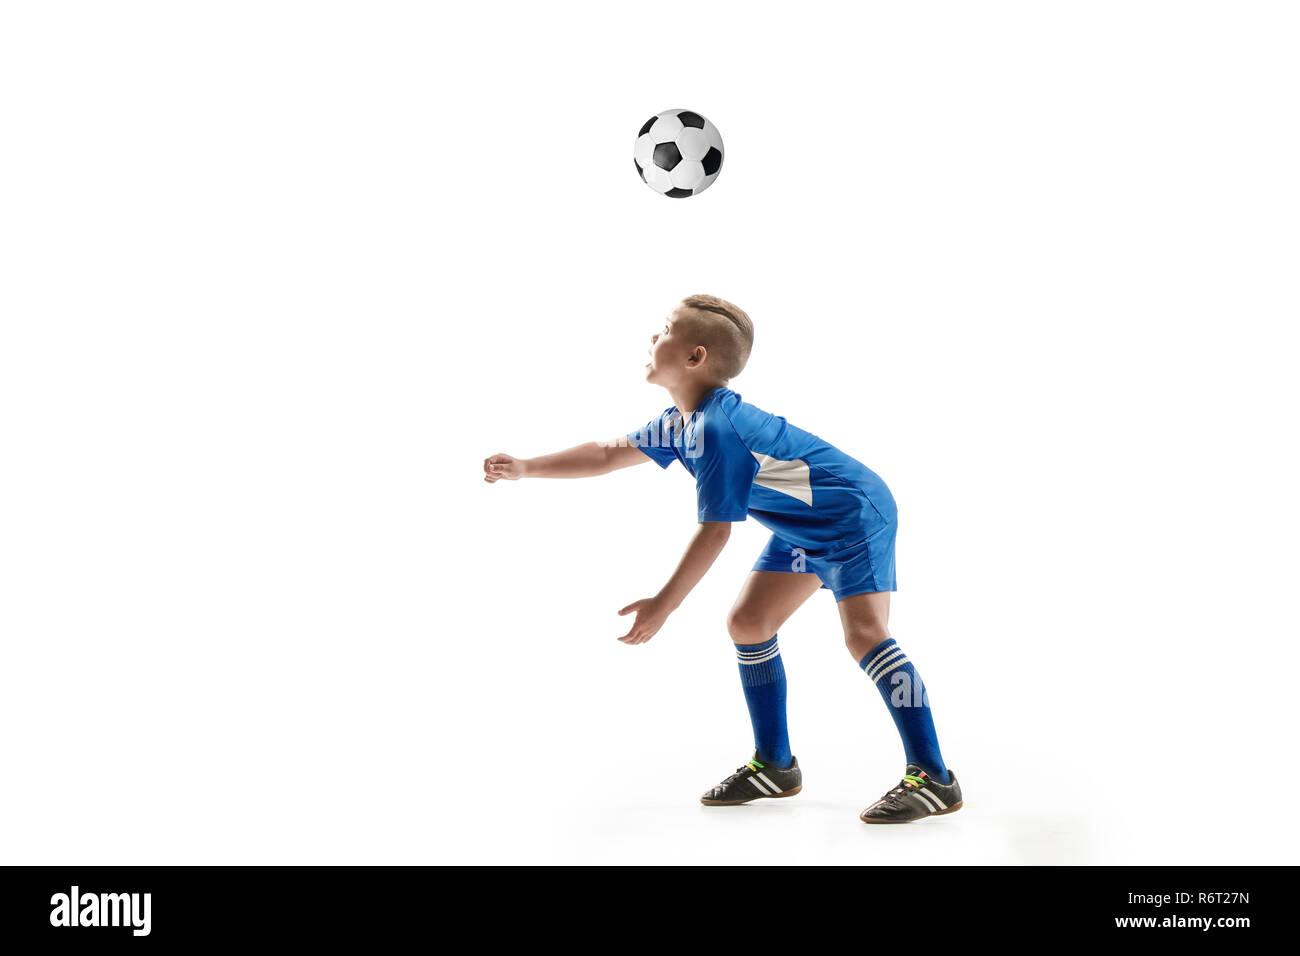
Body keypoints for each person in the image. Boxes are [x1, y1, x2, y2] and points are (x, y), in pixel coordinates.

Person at [482, 294, 962, 823]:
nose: (650, 337)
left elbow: (714, 532)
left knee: (864, 635)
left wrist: (664, 604)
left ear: (695, 357)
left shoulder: (717, 431)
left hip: (855, 517)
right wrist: (526, 467)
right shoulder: (680, 422)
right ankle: (775, 766)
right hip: (804, 525)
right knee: (749, 623)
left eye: (663, 329)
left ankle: (933, 776)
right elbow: (606, 454)